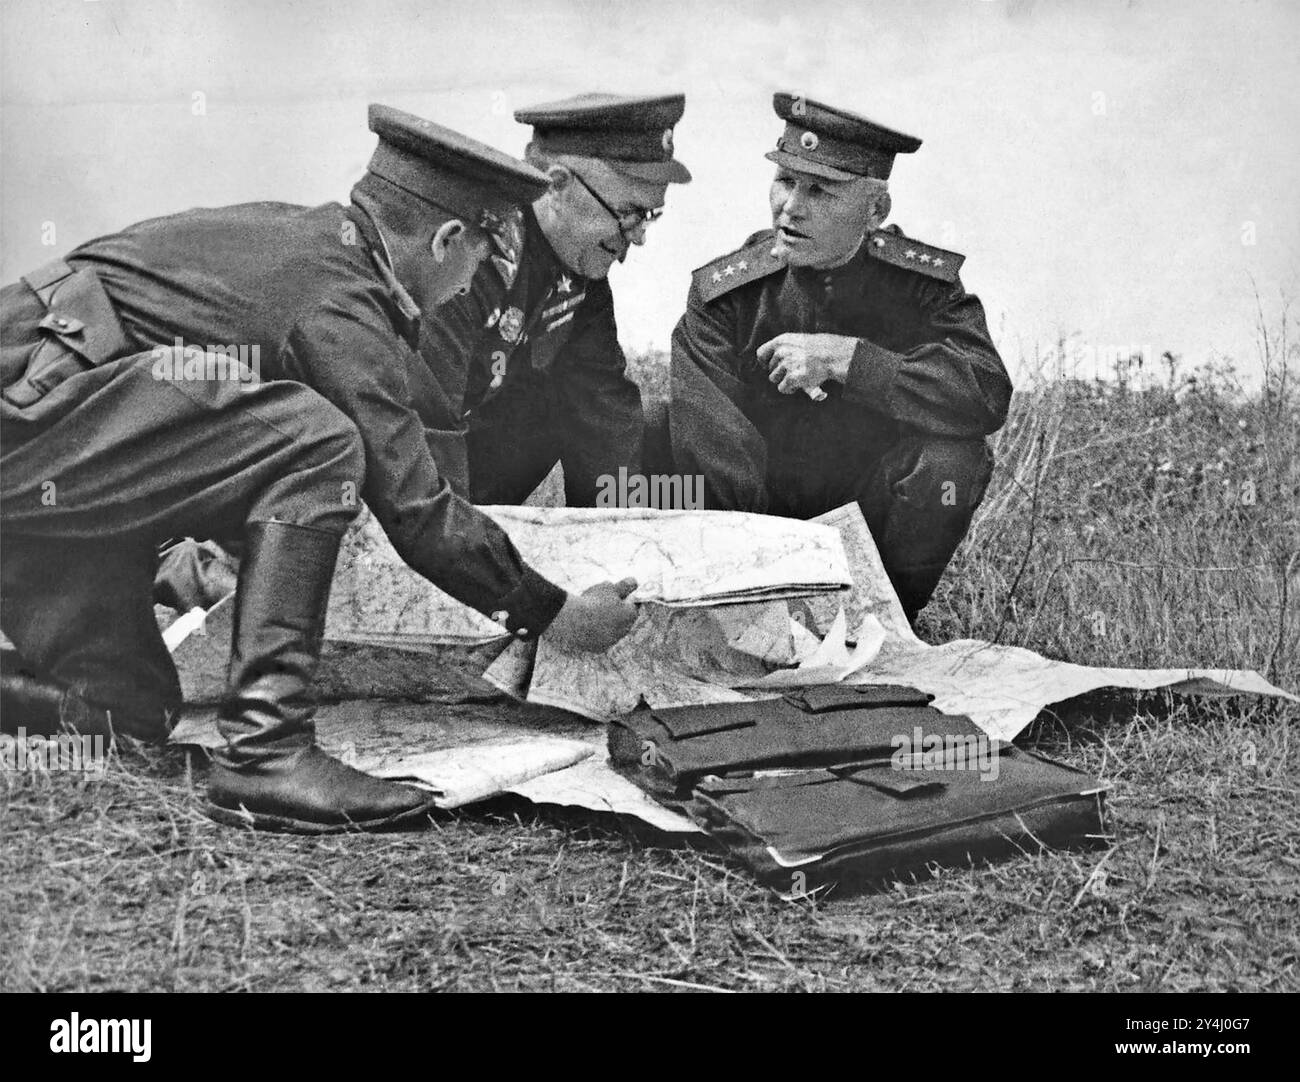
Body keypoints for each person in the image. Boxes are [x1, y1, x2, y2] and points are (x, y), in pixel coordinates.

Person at [0, 104, 639, 833]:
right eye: (481, 259)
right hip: (30, 425)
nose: (472, 284)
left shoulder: (308, 240)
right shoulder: (335, 300)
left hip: (63, 454)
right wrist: (555, 614)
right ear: (448, 237)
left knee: (125, 713)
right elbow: (418, 509)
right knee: (318, 443)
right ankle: (266, 757)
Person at [666, 93, 1013, 623]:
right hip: (747, 524)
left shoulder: (922, 288)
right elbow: (713, 447)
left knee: (951, 463)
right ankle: (683, 609)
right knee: (646, 426)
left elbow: (984, 394)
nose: (791, 206)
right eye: (785, 180)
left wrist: (854, 361)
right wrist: (757, 587)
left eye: (821, 191)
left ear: (876, 212)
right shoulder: (728, 293)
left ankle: (882, 625)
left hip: (866, 525)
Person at [420, 93, 691, 505]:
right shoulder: (468, 250)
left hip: (453, 466)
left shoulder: (579, 275)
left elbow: (605, 415)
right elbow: (421, 419)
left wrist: (624, 541)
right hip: (378, 461)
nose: (639, 236)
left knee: (627, 419)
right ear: (559, 184)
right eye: (630, 212)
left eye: (650, 216)